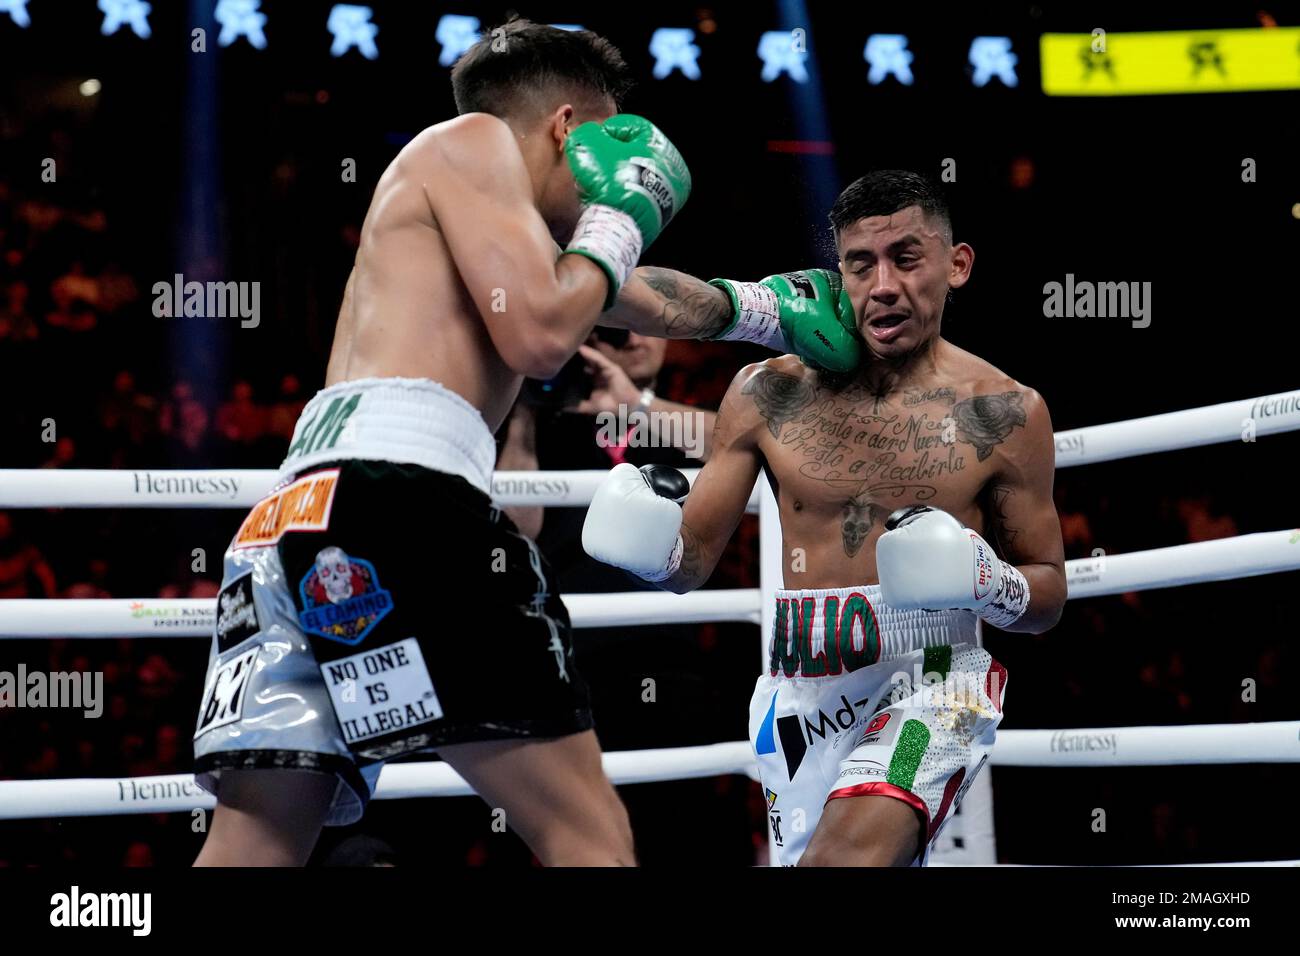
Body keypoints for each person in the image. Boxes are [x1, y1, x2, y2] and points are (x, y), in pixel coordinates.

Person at [191, 17, 846, 867]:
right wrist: (621, 212)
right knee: (591, 840)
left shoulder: (485, 227)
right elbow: (541, 335)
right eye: (610, 136)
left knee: (259, 843)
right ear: (570, 128)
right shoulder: (471, 142)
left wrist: (764, 309)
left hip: (297, 520)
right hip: (404, 502)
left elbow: (636, 297)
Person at [583, 170, 1068, 866]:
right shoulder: (767, 391)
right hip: (798, 690)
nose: (883, 286)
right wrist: (649, 548)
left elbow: (1047, 594)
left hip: (936, 679)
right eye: (859, 264)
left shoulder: (1006, 411)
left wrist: (987, 578)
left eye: (906, 257)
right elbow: (688, 565)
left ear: (956, 264)